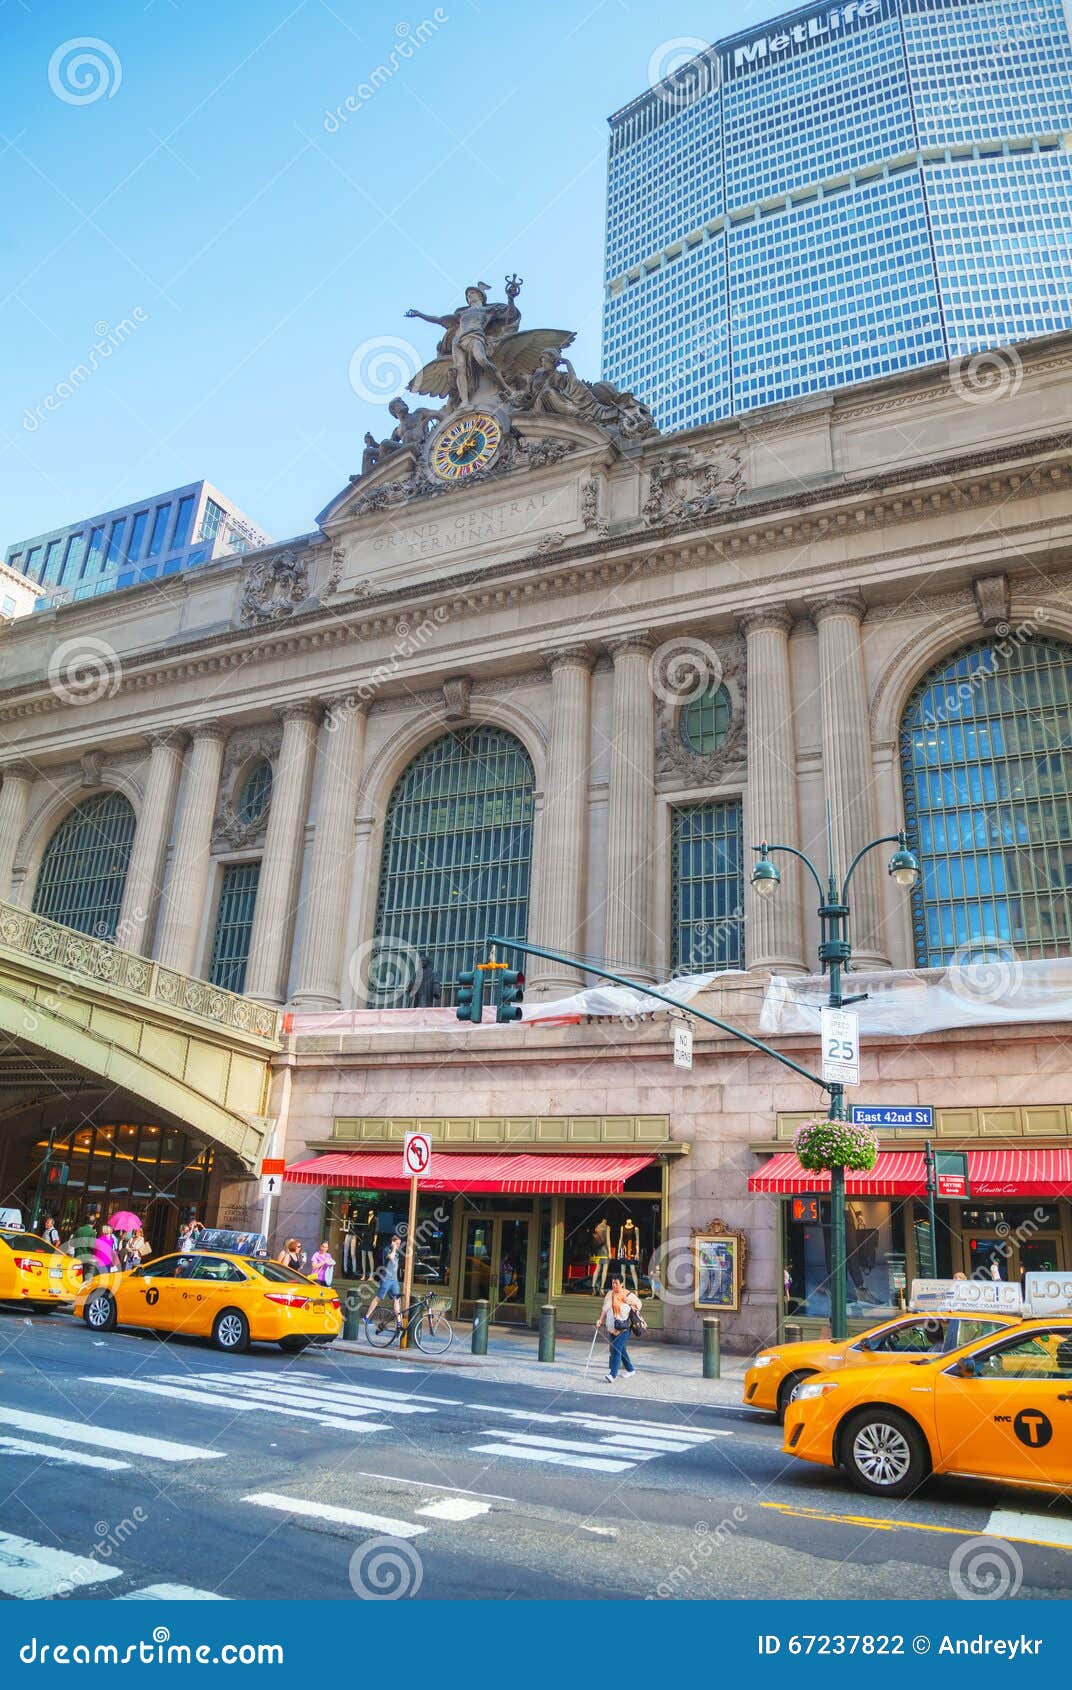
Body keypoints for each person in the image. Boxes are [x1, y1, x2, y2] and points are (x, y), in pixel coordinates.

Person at [597, 1276, 644, 1383]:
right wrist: (600, 1320)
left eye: (616, 1283)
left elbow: (639, 1305)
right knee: (621, 1350)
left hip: (624, 1327)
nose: (614, 1285)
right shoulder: (609, 1294)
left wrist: (628, 1302)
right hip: (612, 1326)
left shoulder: (627, 1294)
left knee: (616, 1349)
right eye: (613, 1283)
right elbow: (605, 1309)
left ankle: (612, 1374)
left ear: (622, 1284)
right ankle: (631, 1369)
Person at [365, 1232, 403, 1332]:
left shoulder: (397, 1252)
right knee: (378, 1298)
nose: (399, 1246)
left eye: (399, 1244)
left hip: (394, 1280)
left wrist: (396, 1249)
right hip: (386, 1279)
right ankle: (367, 1317)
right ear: (393, 1242)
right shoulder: (387, 1250)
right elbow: (390, 1258)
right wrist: (394, 1248)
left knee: (397, 1299)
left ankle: (399, 1322)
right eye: (397, 1243)